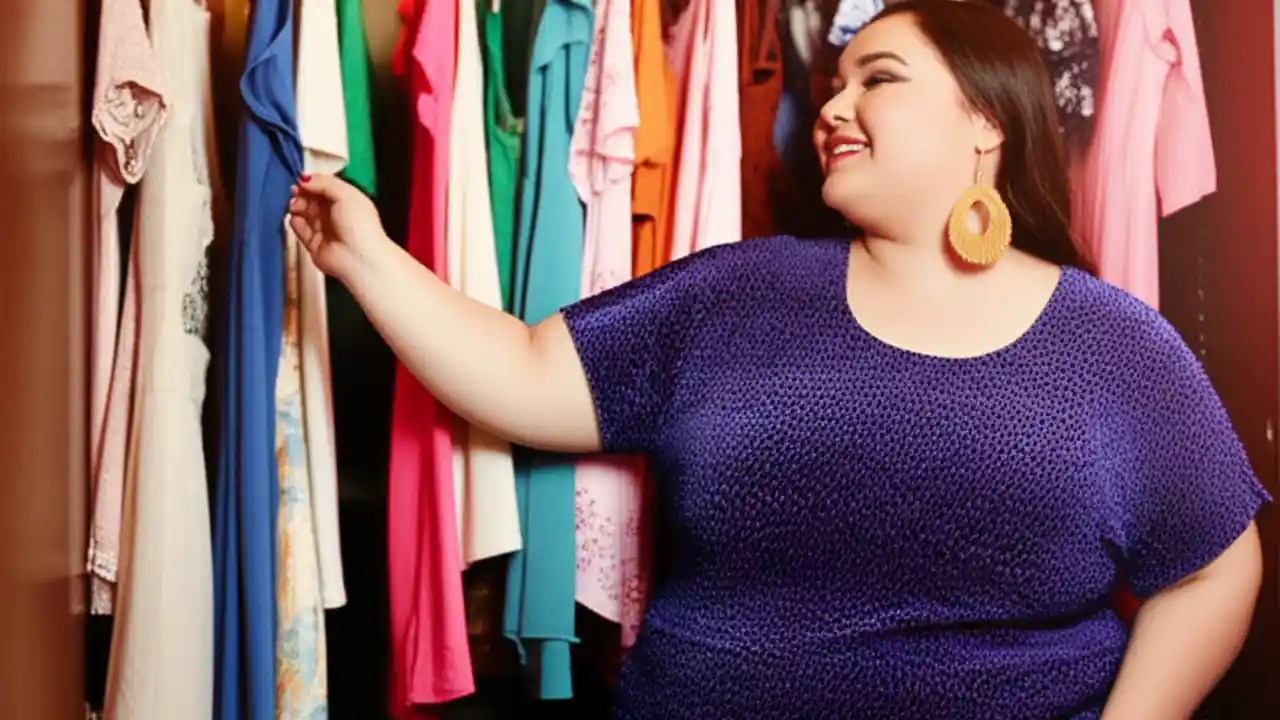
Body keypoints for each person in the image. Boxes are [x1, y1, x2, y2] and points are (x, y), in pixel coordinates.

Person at [286, 1, 1270, 717]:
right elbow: (528, 376)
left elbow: (1213, 569)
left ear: (987, 118)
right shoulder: (734, 292)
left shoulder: (1106, 342)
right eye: (832, 85)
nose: (835, 107)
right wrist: (366, 258)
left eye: (877, 79)